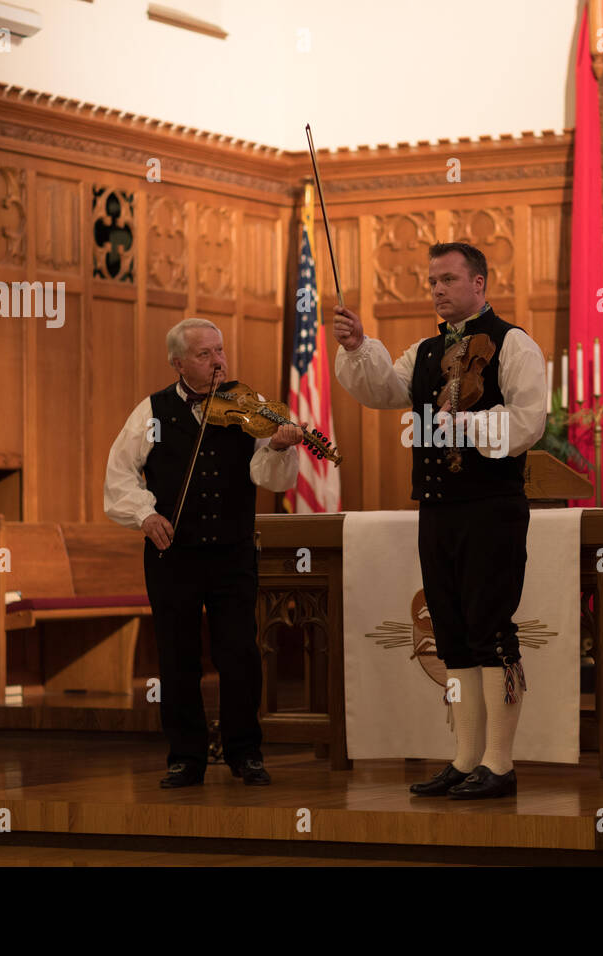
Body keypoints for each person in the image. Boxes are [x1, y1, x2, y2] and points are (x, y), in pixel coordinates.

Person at [332, 242, 547, 799]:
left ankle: (500, 765)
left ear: (479, 283)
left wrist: (465, 427)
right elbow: (382, 388)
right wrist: (358, 346)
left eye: (448, 279)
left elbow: (527, 422)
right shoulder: (426, 352)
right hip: (438, 509)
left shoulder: (512, 343)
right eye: (432, 282)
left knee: (489, 629)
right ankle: (465, 758)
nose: (438, 290)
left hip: (490, 508)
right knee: (451, 633)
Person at [104, 317, 305, 789]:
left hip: (233, 554)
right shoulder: (150, 411)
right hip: (172, 555)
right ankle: (185, 757)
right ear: (177, 363)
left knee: (239, 654)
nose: (218, 362)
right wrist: (145, 515)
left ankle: (244, 753)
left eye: (221, 351)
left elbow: (272, 479)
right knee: (178, 658)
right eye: (204, 355)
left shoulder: (248, 407)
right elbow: (119, 477)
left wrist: (277, 447)